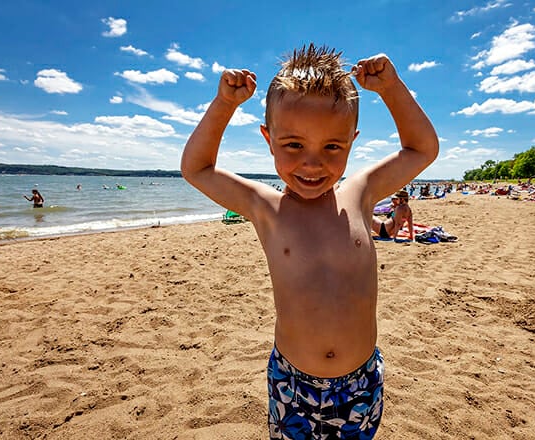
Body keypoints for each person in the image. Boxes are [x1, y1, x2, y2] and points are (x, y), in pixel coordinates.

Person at [181, 43, 438, 439]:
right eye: (294, 145)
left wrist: (392, 88)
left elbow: (422, 148)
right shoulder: (265, 207)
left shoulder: (361, 193)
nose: (313, 163)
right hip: (292, 382)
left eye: (332, 147)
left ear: (352, 140)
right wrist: (224, 104)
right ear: (269, 139)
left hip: (361, 381)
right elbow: (196, 168)